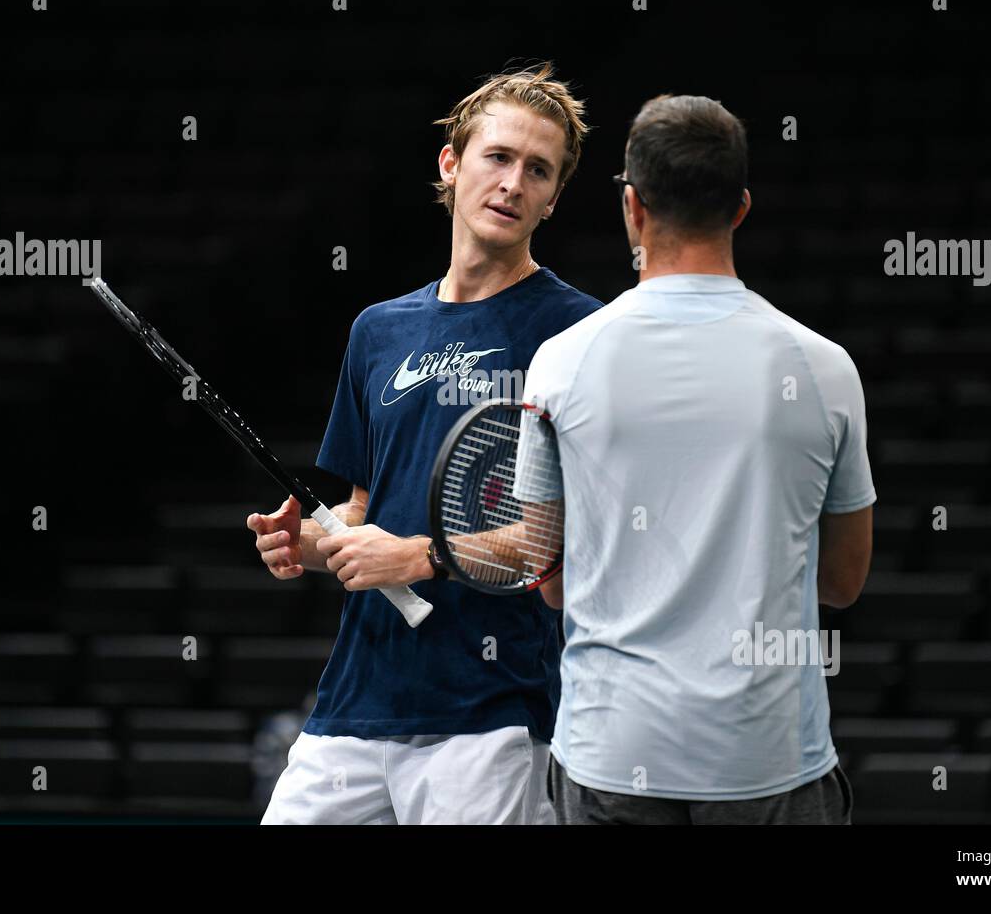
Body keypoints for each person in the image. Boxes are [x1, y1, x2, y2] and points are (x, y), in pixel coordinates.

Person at [248, 63, 602, 824]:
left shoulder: (580, 334)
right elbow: (365, 511)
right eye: (497, 157)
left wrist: (416, 556)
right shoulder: (379, 331)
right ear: (452, 163)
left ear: (553, 197)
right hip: (351, 707)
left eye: (537, 170)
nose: (512, 182)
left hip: (493, 717)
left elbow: (568, 538)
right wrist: (309, 544)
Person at [520, 94, 874, 824]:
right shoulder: (825, 368)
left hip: (609, 759)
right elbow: (842, 581)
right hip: (770, 765)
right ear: (741, 207)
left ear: (632, 206)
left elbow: (549, 583)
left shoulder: (559, 364)